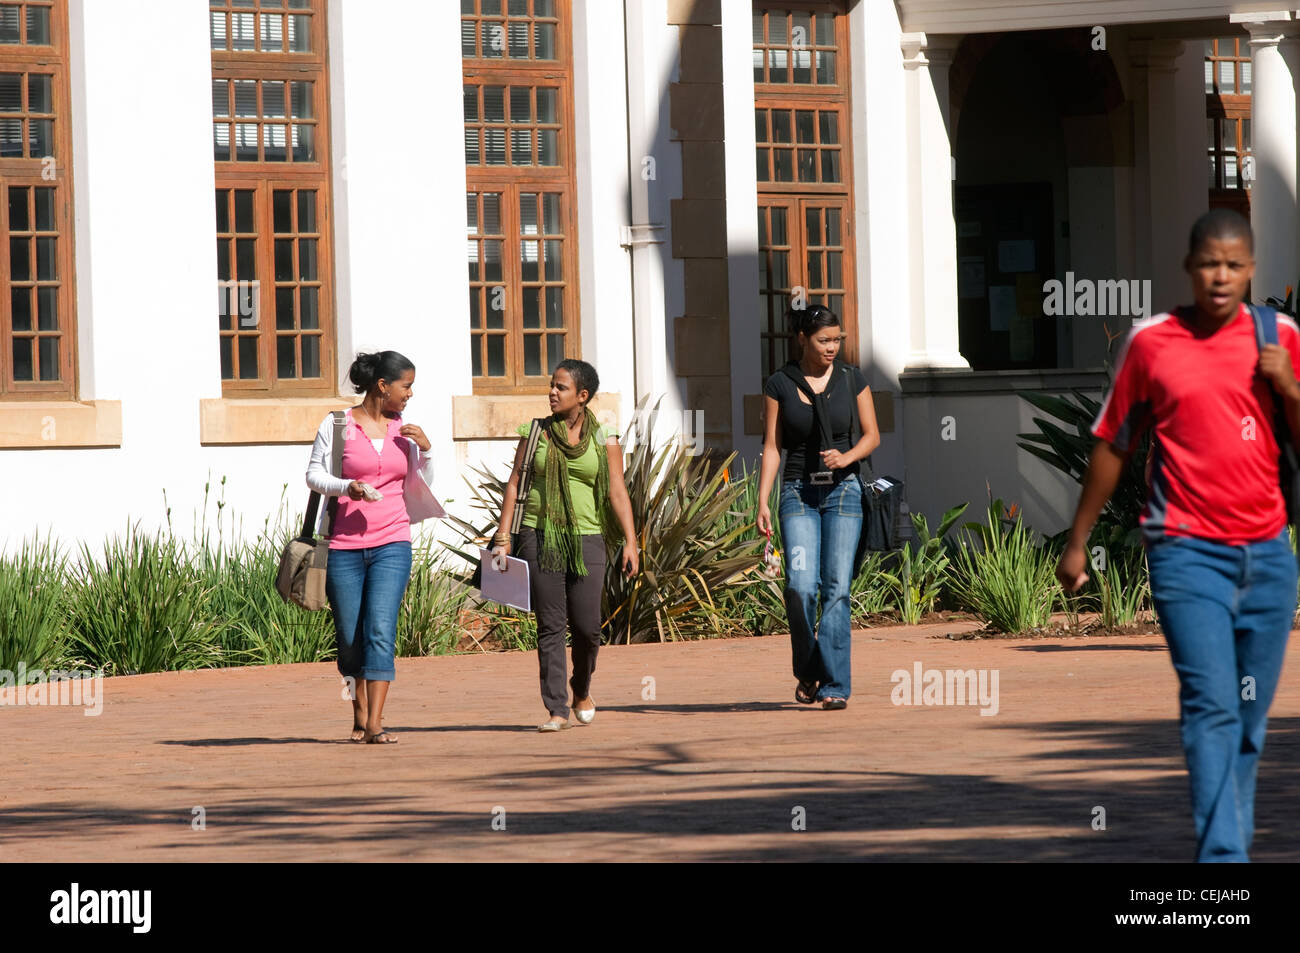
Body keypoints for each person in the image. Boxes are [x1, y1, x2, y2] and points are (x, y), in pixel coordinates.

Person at [1057, 208, 1300, 862]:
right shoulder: (1152, 341)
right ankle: (1223, 859)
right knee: (1212, 704)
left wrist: (1289, 387)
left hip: (1269, 556)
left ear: (1251, 269)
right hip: (1186, 552)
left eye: (1233, 265)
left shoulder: (1280, 336)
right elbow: (1114, 441)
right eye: (1208, 264)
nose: (1220, 276)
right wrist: (1078, 537)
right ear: (1190, 268)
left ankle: (1228, 842)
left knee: (1250, 717)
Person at [492, 359, 639, 731]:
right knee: (551, 625)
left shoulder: (605, 437)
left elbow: (616, 491)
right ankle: (556, 709)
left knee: (589, 628)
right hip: (538, 533)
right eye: (551, 386)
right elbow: (514, 484)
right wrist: (503, 536)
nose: (552, 393)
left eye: (561, 387)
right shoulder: (536, 431)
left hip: (588, 536)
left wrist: (631, 542)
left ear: (583, 395)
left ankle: (581, 687)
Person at [306, 350, 436, 745]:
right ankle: (359, 711)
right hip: (344, 546)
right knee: (349, 637)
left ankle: (376, 722)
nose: (410, 394)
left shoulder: (405, 431)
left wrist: (427, 451)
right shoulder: (338, 424)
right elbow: (313, 475)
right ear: (383, 386)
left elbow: (421, 482)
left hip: (392, 542)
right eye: (406, 386)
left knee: (380, 628)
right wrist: (348, 487)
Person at [757, 305, 881, 710]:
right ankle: (808, 666)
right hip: (797, 492)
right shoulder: (779, 383)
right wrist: (763, 498)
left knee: (837, 590)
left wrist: (846, 459)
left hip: (844, 494)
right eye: (824, 340)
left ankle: (834, 685)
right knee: (799, 587)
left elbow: (871, 436)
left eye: (837, 340)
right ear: (803, 340)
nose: (832, 347)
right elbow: (773, 446)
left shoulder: (852, 379)